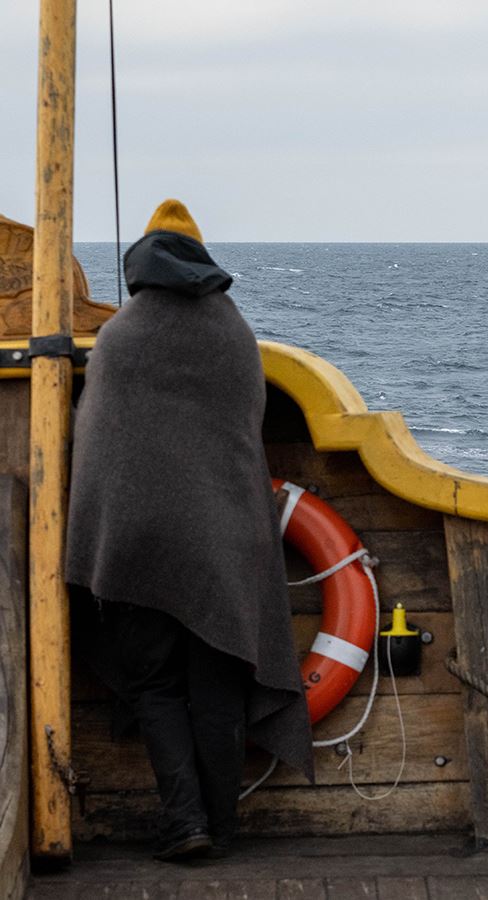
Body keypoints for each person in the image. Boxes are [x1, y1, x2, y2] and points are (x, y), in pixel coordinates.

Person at [66, 199, 313, 861]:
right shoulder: (234, 334)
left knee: (155, 685)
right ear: (202, 257)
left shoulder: (120, 335)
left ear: (142, 261)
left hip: (136, 543)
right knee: (216, 687)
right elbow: (243, 437)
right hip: (224, 543)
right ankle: (222, 826)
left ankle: (185, 823)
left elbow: (95, 446)